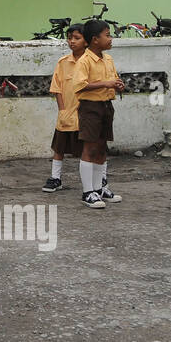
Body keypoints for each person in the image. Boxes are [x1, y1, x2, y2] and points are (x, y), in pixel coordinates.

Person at [71, 20, 122, 209]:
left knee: (102, 147)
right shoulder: (84, 61)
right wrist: (105, 84)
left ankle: (100, 187)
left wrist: (117, 84)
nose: (110, 39)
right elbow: (79, 85)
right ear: (94, 40)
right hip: (90, 107)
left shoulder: (108, 59)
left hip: (106, 106)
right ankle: (87, 192)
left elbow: (112, 78)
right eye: (107, 35)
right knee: (90, 147)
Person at [43, 23, 86, 193]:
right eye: (69, 38)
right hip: (67, 113)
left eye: (77, 38)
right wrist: (62, 110)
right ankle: (55, 178)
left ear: (87, 41)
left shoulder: (89, 62)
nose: (72, 42)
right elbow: (57, 88)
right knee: (59, 147)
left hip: (84, 114)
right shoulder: (63, 63)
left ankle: (93, 182)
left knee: (88, 150)